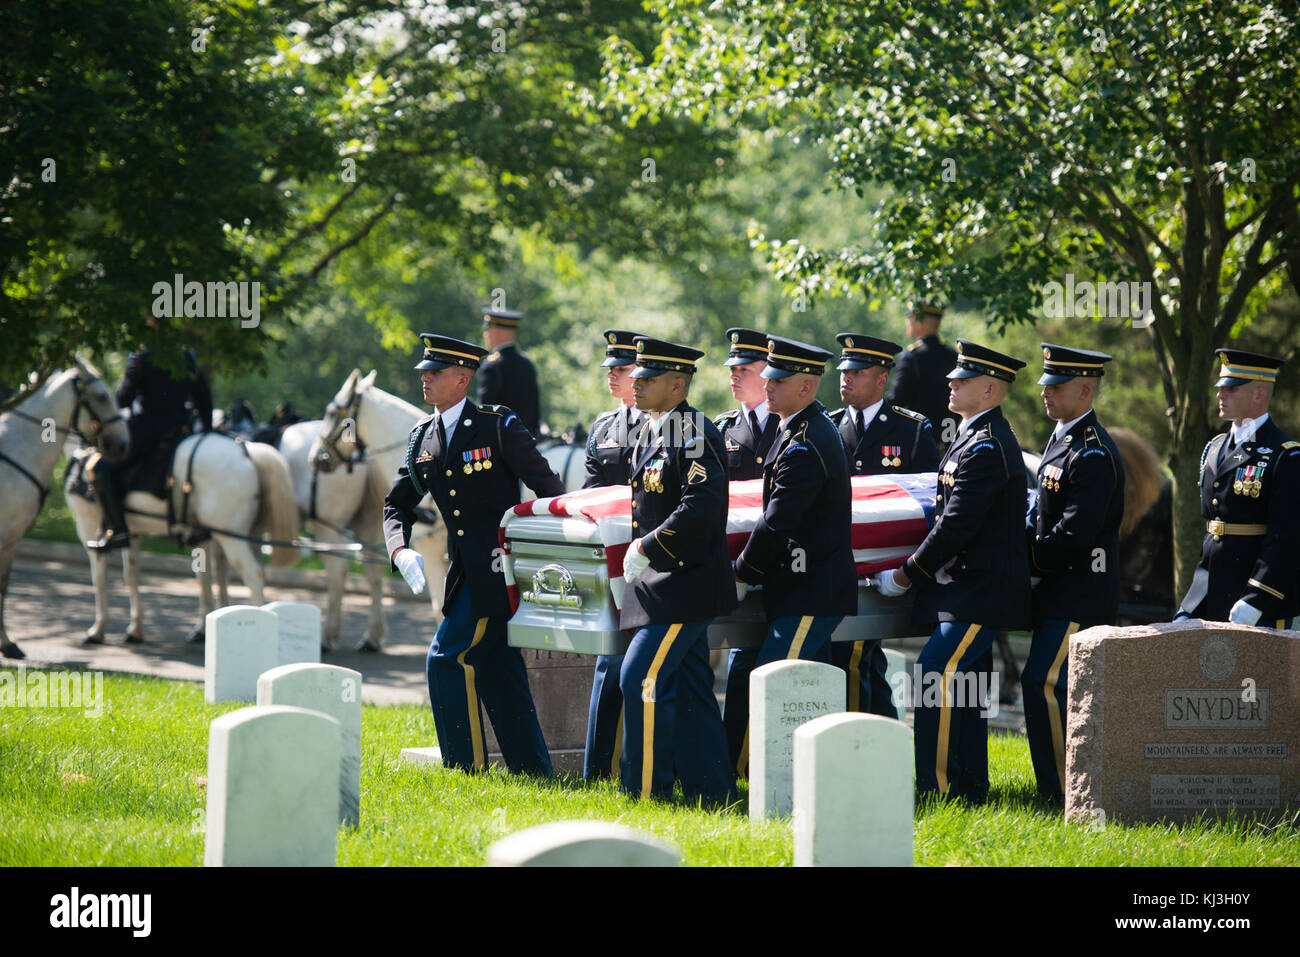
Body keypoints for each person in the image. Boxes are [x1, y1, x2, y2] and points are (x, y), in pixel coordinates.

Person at [383, 333, 564, 775]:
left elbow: (548, 488)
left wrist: (544, 551)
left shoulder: (497, 426)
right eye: (424, 371)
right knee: (500, 670)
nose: (425, 379)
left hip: (499, 572)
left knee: (447, 658)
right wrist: (400, 549)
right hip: (463, 570)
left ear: (463, 379)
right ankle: (532, 770)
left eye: (436, 372)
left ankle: (465, 768)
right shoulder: (423, 437)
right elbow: (397, 503)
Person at [875, 339, 1030, 803]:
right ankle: (969, 788)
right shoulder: (971, 435)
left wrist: (906, 574)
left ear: (990, 391)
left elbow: (956, 525)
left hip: (978, 590)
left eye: (962, 380)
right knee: (963, 687)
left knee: (934, 674)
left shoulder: (986, 445)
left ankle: (934, 789)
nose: (950, 383)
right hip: (964, 587)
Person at [729, 336, 856, 774]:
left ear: (805, 387)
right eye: (767, 378)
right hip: (799, 590)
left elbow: (778, 522)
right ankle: (812, 778)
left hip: (810, 593)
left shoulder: (806, 441)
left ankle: (743, 776)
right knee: (805, 696)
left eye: (777, 381)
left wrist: (742, 572)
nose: (766, 387)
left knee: (772, 684)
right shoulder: (799, 429)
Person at [617, 336, 736, 801]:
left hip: (684, 585)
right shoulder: (655, 428)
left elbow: (702, 506)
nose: (636, 383)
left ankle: (646, 791)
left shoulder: (693, 432)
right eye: (636, 376)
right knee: (690, 685)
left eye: (648, 378)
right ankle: (713, 789)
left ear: (678, 384)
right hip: (661, 585)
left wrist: (647, 545)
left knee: (640, 677)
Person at [1024, 343, 1125, 801]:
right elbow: (1041, 512)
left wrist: (1027, 560)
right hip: (1057, 591)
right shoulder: (1064, 437)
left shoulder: (1093, 452)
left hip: (1078, 592)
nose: (1046, 394)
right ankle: (1059, 788)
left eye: (1057, 387)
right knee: (1051, 684)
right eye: (1046, 384)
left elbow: (1074, 534)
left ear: (1085, 391)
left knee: (1044, 681)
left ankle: (1067, 794)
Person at [828, 332, 940, 720]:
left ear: (881, 377)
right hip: (837, 563)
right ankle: (881, 737)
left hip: (885, 572)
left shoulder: (911, 430)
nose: (846, 378)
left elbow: (928, 501)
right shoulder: (828, 426)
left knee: (857, 654)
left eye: (857, 372)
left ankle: (863, 746)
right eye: (844, 371)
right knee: (856, 658)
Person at [1176, 349, 1300, 628]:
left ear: (1258, 395)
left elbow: (1286, 539)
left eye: (1232, 389)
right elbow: (1213, 531)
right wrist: (1191, 601)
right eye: (1221, 388)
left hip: (1256, 599)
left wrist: (1256, 597)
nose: (1221, 394)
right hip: (1207, 593)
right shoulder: (1214, 447)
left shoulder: (1285, 456)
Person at [712, 326, 780, 771]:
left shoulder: (793, 423)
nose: (735, 376)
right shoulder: (721, 429)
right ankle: (734, 764)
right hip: (735, 571)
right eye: (732, 368)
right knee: (739, 669)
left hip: (781, 567)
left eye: (746, 368)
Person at [581, 328, 644, 781]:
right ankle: (598, 769)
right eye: (610, 369)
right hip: (609, 562)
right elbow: (589, 493)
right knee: (609, 661)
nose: (612, 376)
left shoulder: (667, 425)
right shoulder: (603, 426)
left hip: (650, 561)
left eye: (621, 369)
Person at [89, 345, 213, 551]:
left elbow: (124, 398)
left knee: (100, 469)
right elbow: (204, 400)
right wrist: (206, 432)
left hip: (147, 432)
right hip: (181, 433)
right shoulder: (187, 356)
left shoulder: (141, 357)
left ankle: (118, 530)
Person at [887, 301, 959, 447]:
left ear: (920, 321)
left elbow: (896, 400)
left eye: (910, 316)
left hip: (919, 439)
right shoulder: (953, 355)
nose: (908, 321)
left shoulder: (912, 356)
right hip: (949, 439)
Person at [477, 306, 541, 436]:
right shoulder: (527, 363)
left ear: (496, 331)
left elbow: (484, 412)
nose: (485, 334)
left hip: (500, 442)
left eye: (487, 330)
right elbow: (535, 411)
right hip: (527, 442)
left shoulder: (492, 366)